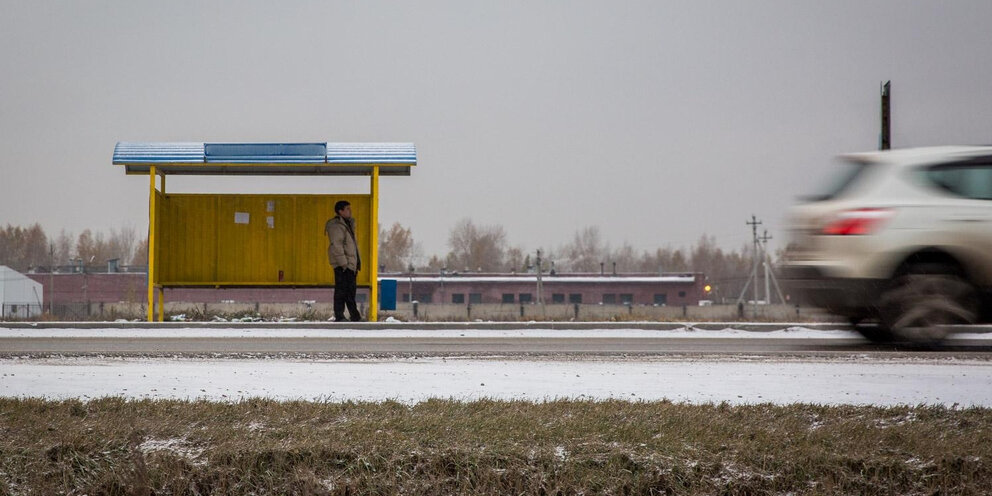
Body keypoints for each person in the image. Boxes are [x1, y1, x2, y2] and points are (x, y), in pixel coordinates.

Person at [325, 200, 362, 322]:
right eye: (347, 209)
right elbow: (337, 245)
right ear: (340, 211)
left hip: (350, 264)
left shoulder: (348, 224)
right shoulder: (336, 226)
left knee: (350, 291)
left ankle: (354, 315)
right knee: (342, 291)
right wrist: (344, 263)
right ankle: (340, 315)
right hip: (343, 265)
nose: (350, 211)